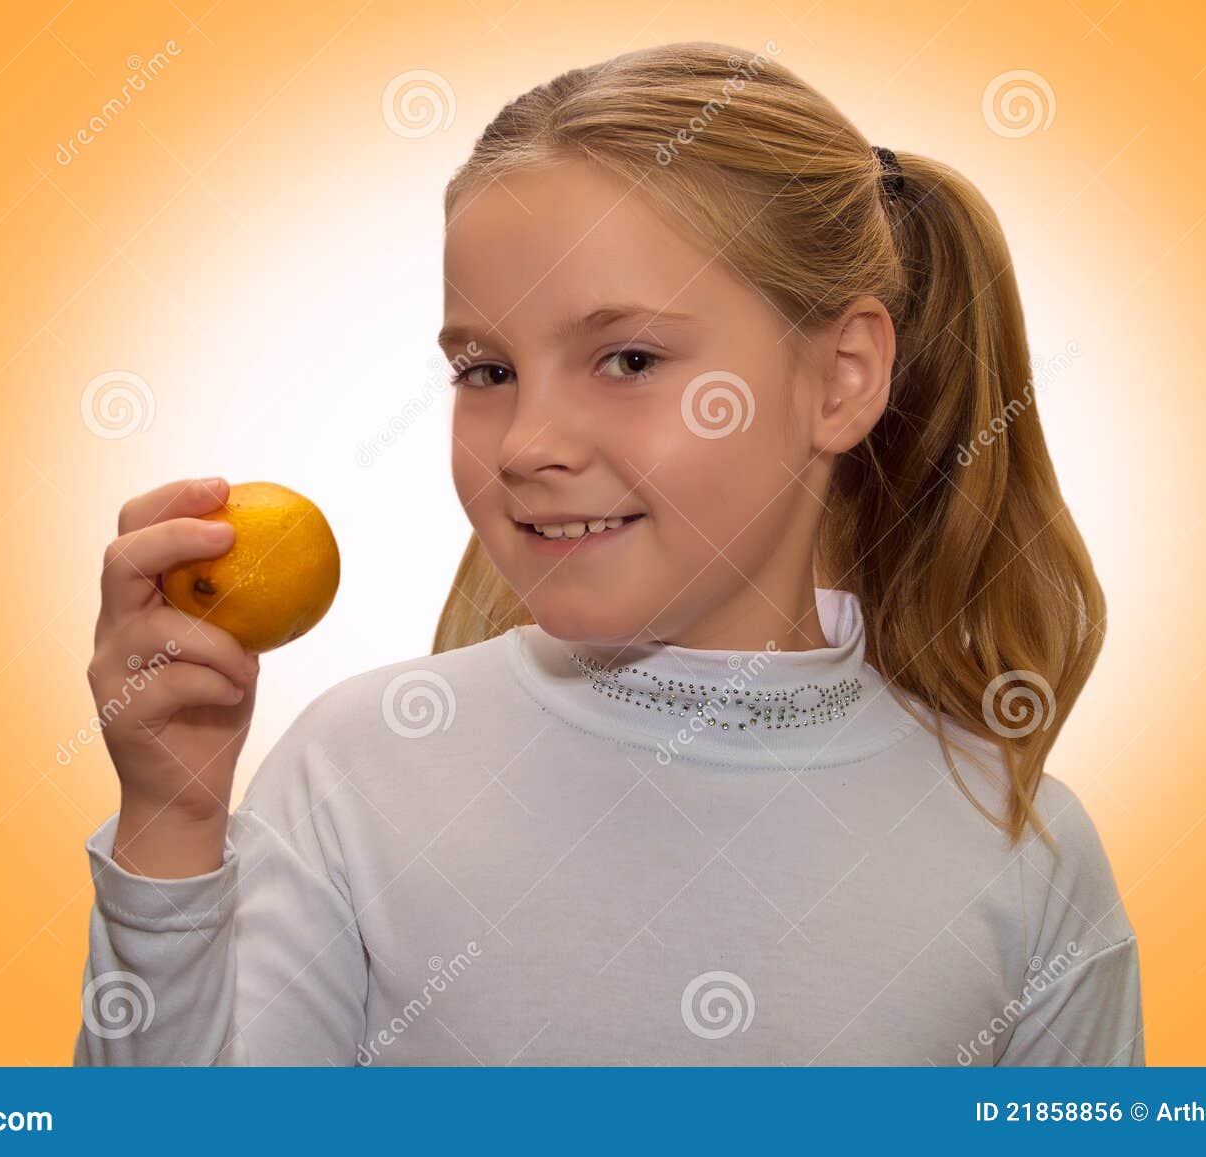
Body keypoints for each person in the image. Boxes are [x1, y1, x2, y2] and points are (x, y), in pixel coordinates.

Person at [74, 41, 1143, 1066]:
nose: (530, 443)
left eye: (627, 357)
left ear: (841, 378)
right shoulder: (355, 771)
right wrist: (170, 831)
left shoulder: (1020, 848)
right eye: (485, 371)